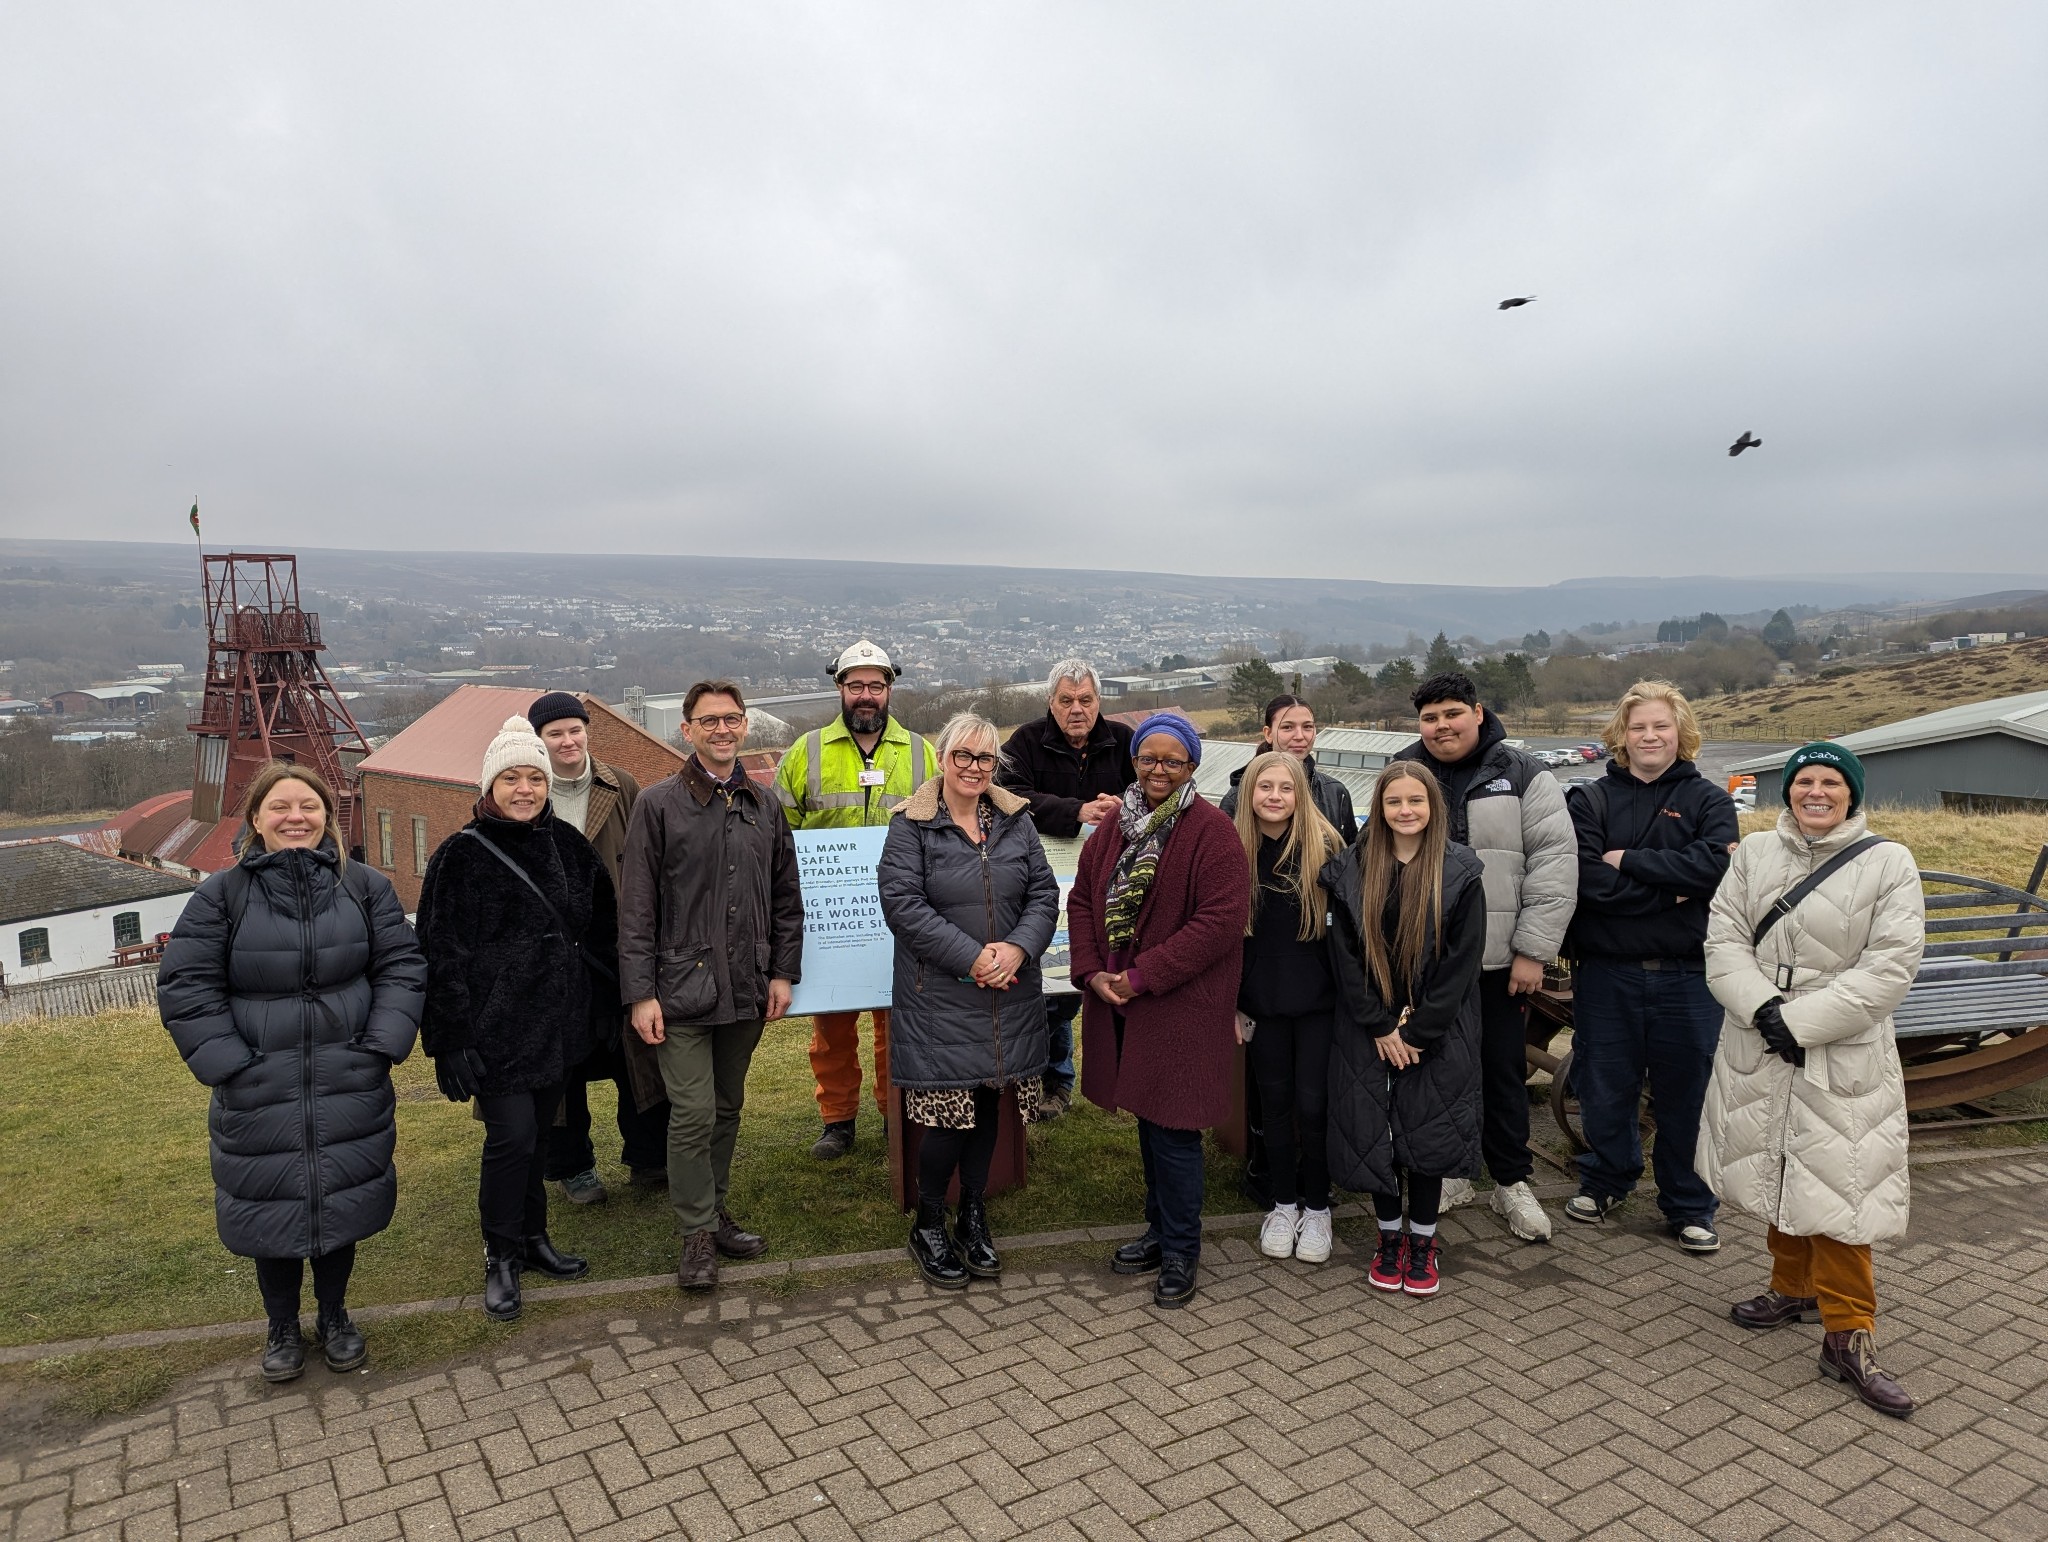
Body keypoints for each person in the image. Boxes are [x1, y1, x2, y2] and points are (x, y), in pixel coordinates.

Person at [158, 762, 427, 1382]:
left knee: (339, 1200)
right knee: (269, 1206)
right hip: (259, 1084)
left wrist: (380, 1045)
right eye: (280, 807)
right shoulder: (221, 897)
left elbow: (402, 968)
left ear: (328, 817)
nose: (295, 817)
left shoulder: (364, 888)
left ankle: (334, 1316)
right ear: (255, 819)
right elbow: (187, 986)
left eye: (308, 806)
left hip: (348, 1075)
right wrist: (230, 1063)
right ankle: (281, 1326)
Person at [1701, 742, 1924, 1417]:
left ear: (1851, 793)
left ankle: (1849, 1335)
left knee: (1841, 1189)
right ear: (1788, 791)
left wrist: (1799, 1021)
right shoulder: (1759, 855)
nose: (1816, 792)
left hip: (1839, 1047)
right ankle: (1793, 1287)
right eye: (1805, 781)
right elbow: (1724, 938)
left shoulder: (1888, 863)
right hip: (1761, 1034)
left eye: (1831, 782)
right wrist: (1763, 1008)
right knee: (1779, 1162)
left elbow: (1891, 965)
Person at [417, 716, 617, 1321]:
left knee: (537, 1141)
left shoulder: (569, 846)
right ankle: (499, 1256)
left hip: (558, 1024)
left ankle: (533, 1240)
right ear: (489, 786)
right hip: (495, 1030)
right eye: (511, 778)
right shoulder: (460, 855)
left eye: (534, 777)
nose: (525, 789)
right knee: (511, 1139)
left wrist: (602, 1004)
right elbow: (439, 953)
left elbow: (601, 929)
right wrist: (447, 1041)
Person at [619, 681, 803, 1290]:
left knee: (727, 1106)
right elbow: (638, 905)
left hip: (747, 984)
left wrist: (782, 971)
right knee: (694, 1111)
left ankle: (715, 1210)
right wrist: (639, 991)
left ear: (745, 725)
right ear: (687, 730)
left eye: (732, 719)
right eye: (709, 721)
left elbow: (785, 897)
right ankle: (695, 1233)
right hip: (680, 987)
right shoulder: (658, 804)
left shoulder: (764, 803)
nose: (722, 729)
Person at [1068, 714, 1250, 1310]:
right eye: (1149, 758)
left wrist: (1145, 976)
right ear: (1134, 762)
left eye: (1173, 761)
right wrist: (1094, 972)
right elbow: (1083, 899)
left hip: (1178, 1003)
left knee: (1173, 1129)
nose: (1159, 770)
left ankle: (1181, 1249)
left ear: (1193, 766)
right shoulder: (1116, 825)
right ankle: (1158, 1229)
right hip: (1119, 997)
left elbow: (1219, 922)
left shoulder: (1211, 831)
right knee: (1148, 1120)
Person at [879, 712, 1060, 1288]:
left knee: (987, 1108)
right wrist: (972, 957)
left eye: (986, 758)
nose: (975, 768)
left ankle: (973, 1213)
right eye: (964, 756)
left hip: (1007, 991)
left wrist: (1017, 949)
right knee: (948, 1120)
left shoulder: (1015, 820)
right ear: (942, 759)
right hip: (942, 997)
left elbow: (1043, 893)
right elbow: (903, 905)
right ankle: (929, 1222)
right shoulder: (911, 825)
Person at [1395, 672, 1575, 1244]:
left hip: (1500, 961)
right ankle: (1451, 1173)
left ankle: (1511, 1180)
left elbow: (1554, 862)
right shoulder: (1405, 770)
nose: (1441, 726)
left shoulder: (1522, 773)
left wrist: (1533, 951)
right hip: (1426, 962)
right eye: (1429, 717)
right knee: (1436, 1073)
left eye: (1451, 713)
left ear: (1477, 711)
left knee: (1500, 1072)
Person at [1561, 683, 1738, 1251]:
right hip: (1606, 973)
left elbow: (1714, 870)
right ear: (1621, 735)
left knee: (1687, 1096)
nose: (1650, 737)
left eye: (1661, 726)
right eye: (1638, 727)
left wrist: (1629, 863)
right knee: (1604, 1087)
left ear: (1680, 733)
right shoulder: (1588, 801)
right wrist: (1673, 892)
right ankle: (1606, 1180)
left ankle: (1689, 1204)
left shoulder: (1709, 800)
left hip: (1689, 975)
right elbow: (1587, 880)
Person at [1325, 761, 1487, 1297]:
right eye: (1395, 802)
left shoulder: (1461, 872)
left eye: (1416, 801)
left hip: (1435, 1029)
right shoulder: (1351, 869)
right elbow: (1344, 957)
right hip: (1368, 1027)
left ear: (1432, 807)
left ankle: (1423, 1242)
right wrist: (1378, 1025)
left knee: (1426, 1132)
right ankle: (1388, 1237)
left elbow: (1463, 962)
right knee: (1377, 1132)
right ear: (1381, 807)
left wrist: (1419, 1032)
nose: (1405, 811)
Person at [775, 638, 937, 1159]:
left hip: (901, 911)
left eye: (876, 685)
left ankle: (896, 1112)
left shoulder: (921, 752)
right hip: (829, 916)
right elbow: (780, 834)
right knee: (832, 1023)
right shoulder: (806, 751)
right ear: (840, 689)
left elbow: (938, 830)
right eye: (855, 685)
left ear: (890, 689)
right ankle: (838, 1120)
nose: (865, 695)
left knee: (899, 1020)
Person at [525, 691, 662, 1208]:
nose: (568, 740)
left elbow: (648, 857)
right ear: (539, 740)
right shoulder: (527, 787)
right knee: (562, 1063)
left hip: (616, 942)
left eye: (575, 729)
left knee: (637, 1051)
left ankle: (650, 1156)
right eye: (555, 733)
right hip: (552, 950)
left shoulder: (619, 785)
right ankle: (573, 1166)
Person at [996, 658, 1135, 1120]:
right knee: (1047, 982)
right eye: (1066, 700)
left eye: (1086, 700)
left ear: (1099, 702)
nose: (1077, 709)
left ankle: (1110, 1076)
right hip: (1039, 879)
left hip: (1109, 883)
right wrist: (1076, 810)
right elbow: (1008, 796)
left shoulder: (1124, 742)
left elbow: (1154, 791)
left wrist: (1122, 807)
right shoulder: (1025, 742)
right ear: (1051, 703)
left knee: (1095, 977)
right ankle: (1048, 1081)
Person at [1231, 751, 1347, 1264]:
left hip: (1321, 1004)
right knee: (1273, 1108)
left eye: (1286, 788)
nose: (1274, 797)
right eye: (1265, 787)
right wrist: (1230, 1006)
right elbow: (1223, 942)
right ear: (1249, 793)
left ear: (1301, 795)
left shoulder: (1327, 849)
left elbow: (1351, 937)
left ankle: (1318, 1207)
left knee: (1314, 1107)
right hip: (1261, 1005)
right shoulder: (1232, 852)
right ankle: (1282, 1203)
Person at [1218, 694, 1358, 843]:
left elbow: (1349, 857)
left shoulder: (1335, 793)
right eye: (1287, 727)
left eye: (1307, 727)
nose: (1299, 736)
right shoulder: (1238, 797)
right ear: (1268, 733)